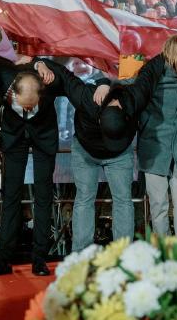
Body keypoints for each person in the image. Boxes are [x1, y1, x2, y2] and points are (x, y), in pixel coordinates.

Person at [38, 59, 136, 253]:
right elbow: (64, 74)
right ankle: (81, 253)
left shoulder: (133, 99)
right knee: (84, 198)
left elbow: (146, 75)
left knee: (123, 199)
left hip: (119, 153)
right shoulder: (84, 96)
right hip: (85, 151)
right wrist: (39, 64)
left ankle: (124, 255)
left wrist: (104, 82)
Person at [0, 60, 63, 276]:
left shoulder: (51, 80)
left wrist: (40, 63)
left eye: (32, 104)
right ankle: (4, 260)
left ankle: (39, 259)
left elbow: (74, 83)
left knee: (43, 196)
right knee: (10, 196)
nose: (28, 109)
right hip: (14, 137)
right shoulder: (3, 80)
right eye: (24, 104)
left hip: (44, 136)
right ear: (13, 92)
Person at [122, 35, 177, 239]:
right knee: (158, 203)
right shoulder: (153, 73)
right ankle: (163, 247)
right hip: (155, 146)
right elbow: (128, 88)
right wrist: (106, 85)